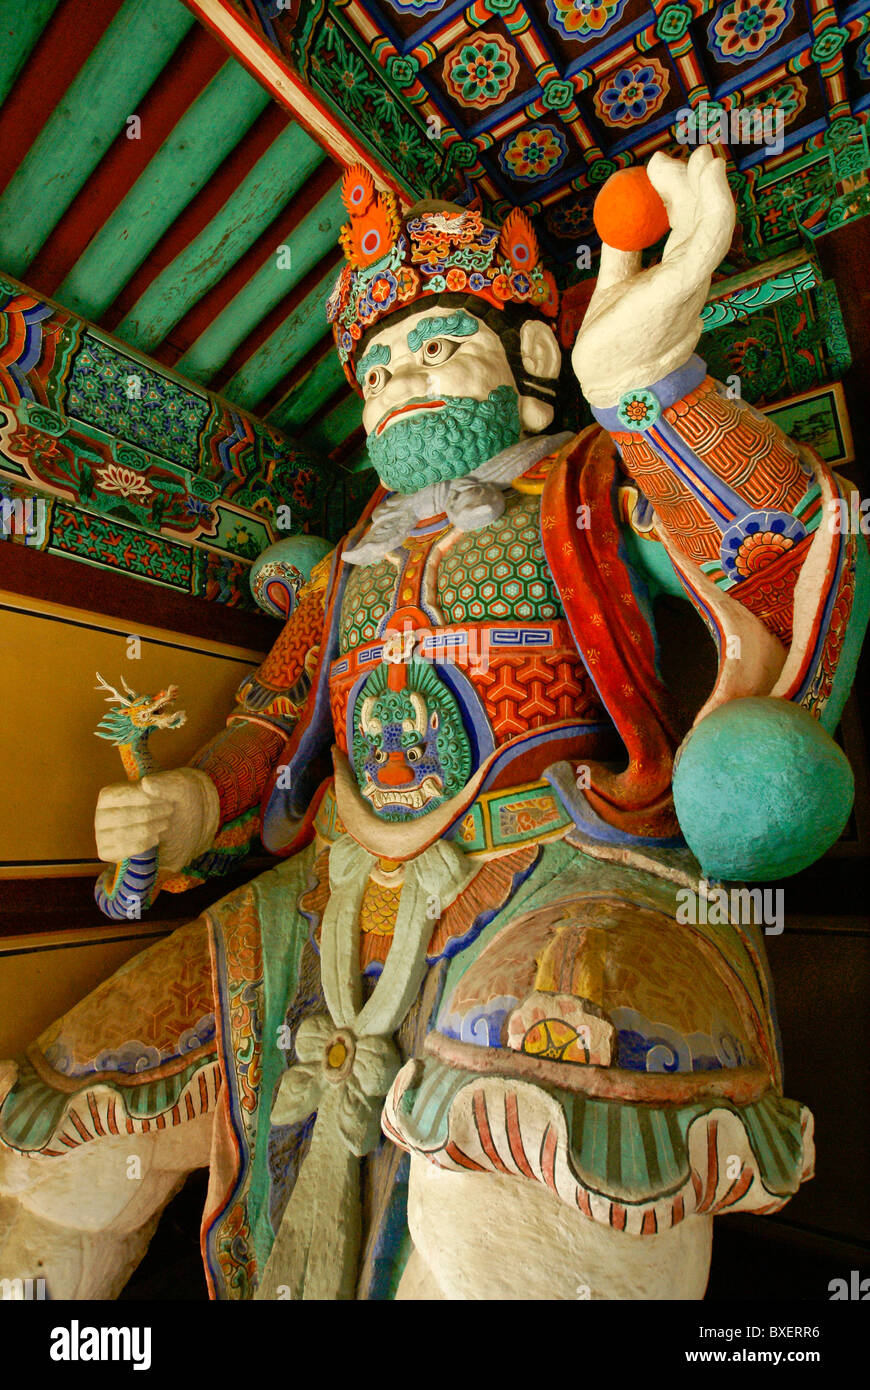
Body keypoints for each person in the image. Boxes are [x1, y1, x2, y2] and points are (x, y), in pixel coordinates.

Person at [0, 149, 866, 1300]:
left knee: (522, 1163)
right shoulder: (349, 555)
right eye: (380, 366)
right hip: (332, 886)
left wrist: (651, 386)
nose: (402, 377)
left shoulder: (591, 479)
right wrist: (194, 796)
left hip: (564, 867)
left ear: (535, 360)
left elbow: (794, 547)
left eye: (440, 344)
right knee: (64, 1118)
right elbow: (271, 714)